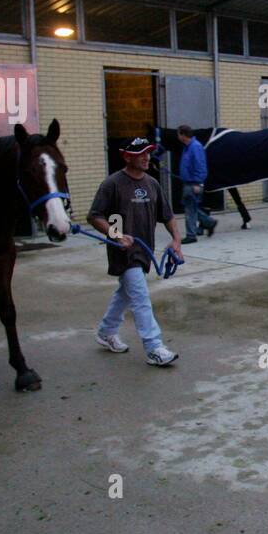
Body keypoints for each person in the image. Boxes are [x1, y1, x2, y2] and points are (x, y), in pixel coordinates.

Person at [88, 136, 183, 366]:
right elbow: (94, 216)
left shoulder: (152, 184)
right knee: (140, 297)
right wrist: (116, 234)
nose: (146, 157)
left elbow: (167, 215)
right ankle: (154, 347)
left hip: (143, 250)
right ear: (127, 156)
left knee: (126, 292)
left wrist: (176, 241)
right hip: (122, 250)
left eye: (148, 152)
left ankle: (106, 331)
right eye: (140, 153)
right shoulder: (112, 184)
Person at [176, 125, 216, 244]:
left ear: (183, 135)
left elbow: (200, 166)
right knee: (191, 207)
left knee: (190, 209)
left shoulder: (195, 147)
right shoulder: (188, 147)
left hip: (193, 183)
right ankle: (209, 222)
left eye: (179, 134)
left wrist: (198, 183)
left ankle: (191, 235)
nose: (178, 137)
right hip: (188, 182)